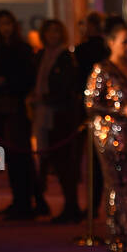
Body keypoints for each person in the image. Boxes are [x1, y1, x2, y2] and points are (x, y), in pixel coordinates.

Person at [84, 18, 127, 252]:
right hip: (111, 136)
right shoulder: (102, 69)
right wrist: (121, 112)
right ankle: (119, 241)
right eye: (125, 42)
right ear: (111, 43)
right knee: (118, 187)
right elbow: (90, 104)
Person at [0, 10, 42, 219]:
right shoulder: (1, 48)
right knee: (4, 156)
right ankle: (21, 200)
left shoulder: (20, 48)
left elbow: (25, 79)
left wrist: (2, 81)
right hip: (1, 108)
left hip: (14, 109)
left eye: (8, 24)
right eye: (1, 25)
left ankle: (25, 202)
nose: (4, 28)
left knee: (19, 157)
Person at [32, 18, 84, 223]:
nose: (52, 35)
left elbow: (66, 87)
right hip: (43, 114)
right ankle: (43, 201)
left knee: (64, 163)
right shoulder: (41, 56)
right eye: (49, 31)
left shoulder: (65, 57)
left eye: (56, 31)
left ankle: (71, 206)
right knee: (46, 159)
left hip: (60, 115)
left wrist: (44, 98)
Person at [73, 12, 108, 217]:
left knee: (91, 164)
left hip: (92, 114)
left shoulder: (84, 50)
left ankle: (92, 208)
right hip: (100, 112)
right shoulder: (103, 51)